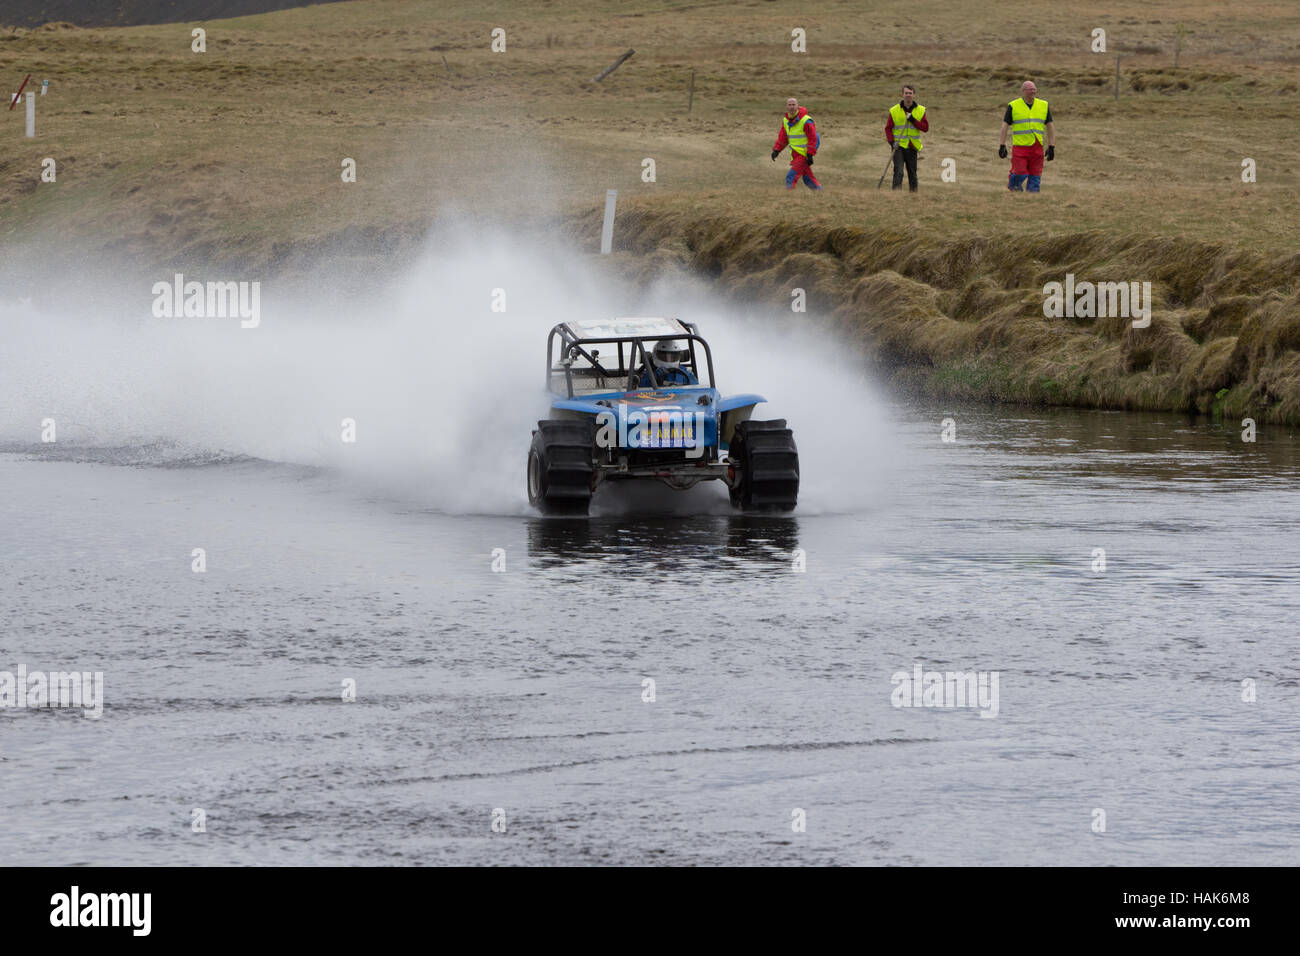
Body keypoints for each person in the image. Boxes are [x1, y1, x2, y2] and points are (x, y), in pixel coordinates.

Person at [998, 80, 1055, 192]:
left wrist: (1051, 146)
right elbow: (1005, 126)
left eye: (1034, 89)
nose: (1033, 91)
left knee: (1036, 173)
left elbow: (1050, 126)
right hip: (1020, 146)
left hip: (1037, 146)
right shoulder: (1013, 106)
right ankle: (1014, 187)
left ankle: (1033, 195)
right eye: (1030, 89)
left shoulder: (1044, 105)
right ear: (1023, 91)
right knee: (1020, 171)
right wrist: (1002, 145)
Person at [771, 97, 821, 191]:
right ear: (786, 106)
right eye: (789, 105)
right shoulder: (786, 121)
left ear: (798, 106)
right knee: (807, 178)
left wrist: (810, 154)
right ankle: (820, 193)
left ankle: (789, 197)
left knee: (791, 177)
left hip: (804, 154)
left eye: (793, 105)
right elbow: (783, 137)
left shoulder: (806, 120)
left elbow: (813, 138)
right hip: (795, 154)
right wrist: (776, 150)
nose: (791, 107)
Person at [886, 84, 928, 192]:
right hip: (898, 146)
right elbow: (888, 129)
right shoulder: (894, 110)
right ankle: (895, 194)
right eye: (906, 93)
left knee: (912, 172)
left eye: (910, 93)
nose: (908, 95)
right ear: (902, 95)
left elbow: (925, 128)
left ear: (914, 95)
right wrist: (891, 142)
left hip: (912, 146)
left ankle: (913, 195)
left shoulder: (921, 110)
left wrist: (913, 120)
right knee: (898, 171)